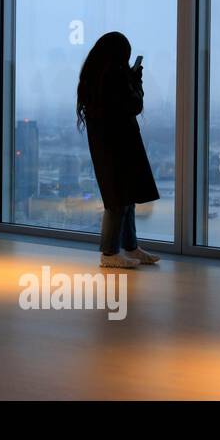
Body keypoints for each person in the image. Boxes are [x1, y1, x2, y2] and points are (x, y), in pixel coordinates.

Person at [77, 31, 161, 269]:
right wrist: (136, 81)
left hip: (107, 147)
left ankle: (129, 247)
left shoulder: (94, 78)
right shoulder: (115, 76)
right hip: (121, 145)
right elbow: (134, 105)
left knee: (124, 197)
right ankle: (110, 252)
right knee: (118, 200)